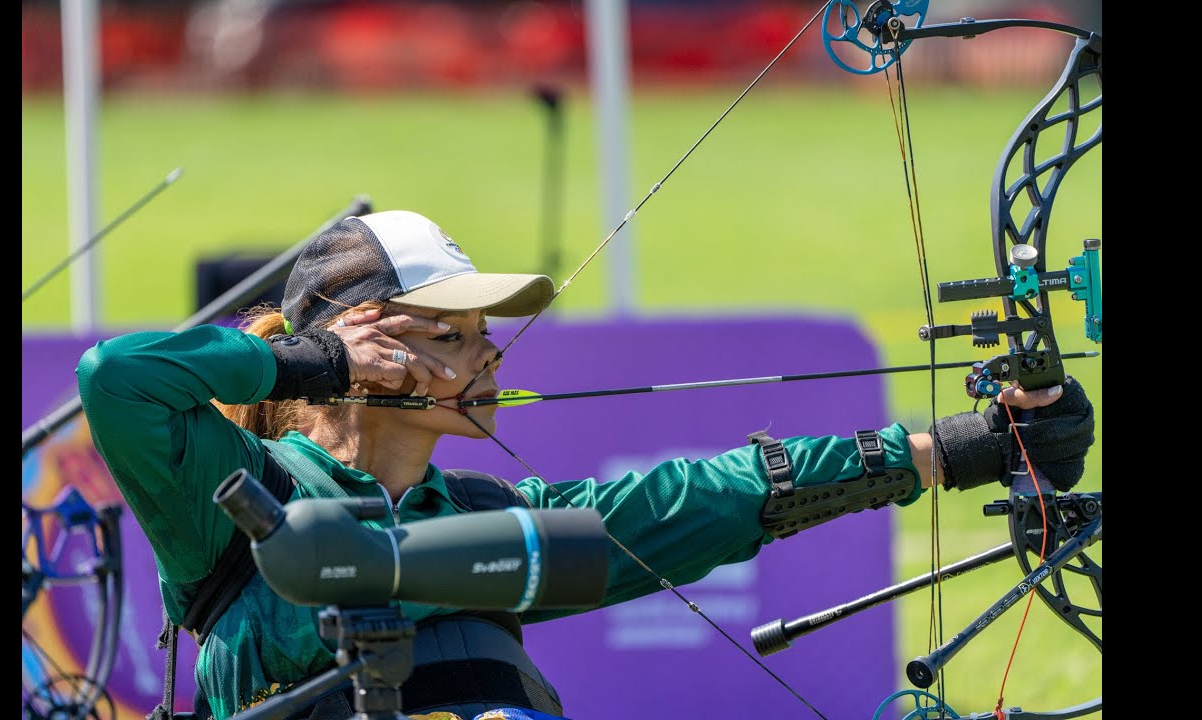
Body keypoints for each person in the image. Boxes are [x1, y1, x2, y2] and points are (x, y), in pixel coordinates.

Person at [75, 209, 1096, 720]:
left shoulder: (489, 514)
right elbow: (118, 378)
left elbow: (711, 495)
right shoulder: (234, 492)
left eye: (485, 333)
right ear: (367, 341)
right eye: (454, 334)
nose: (489, 356)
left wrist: (965, 447)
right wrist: (314, 361)